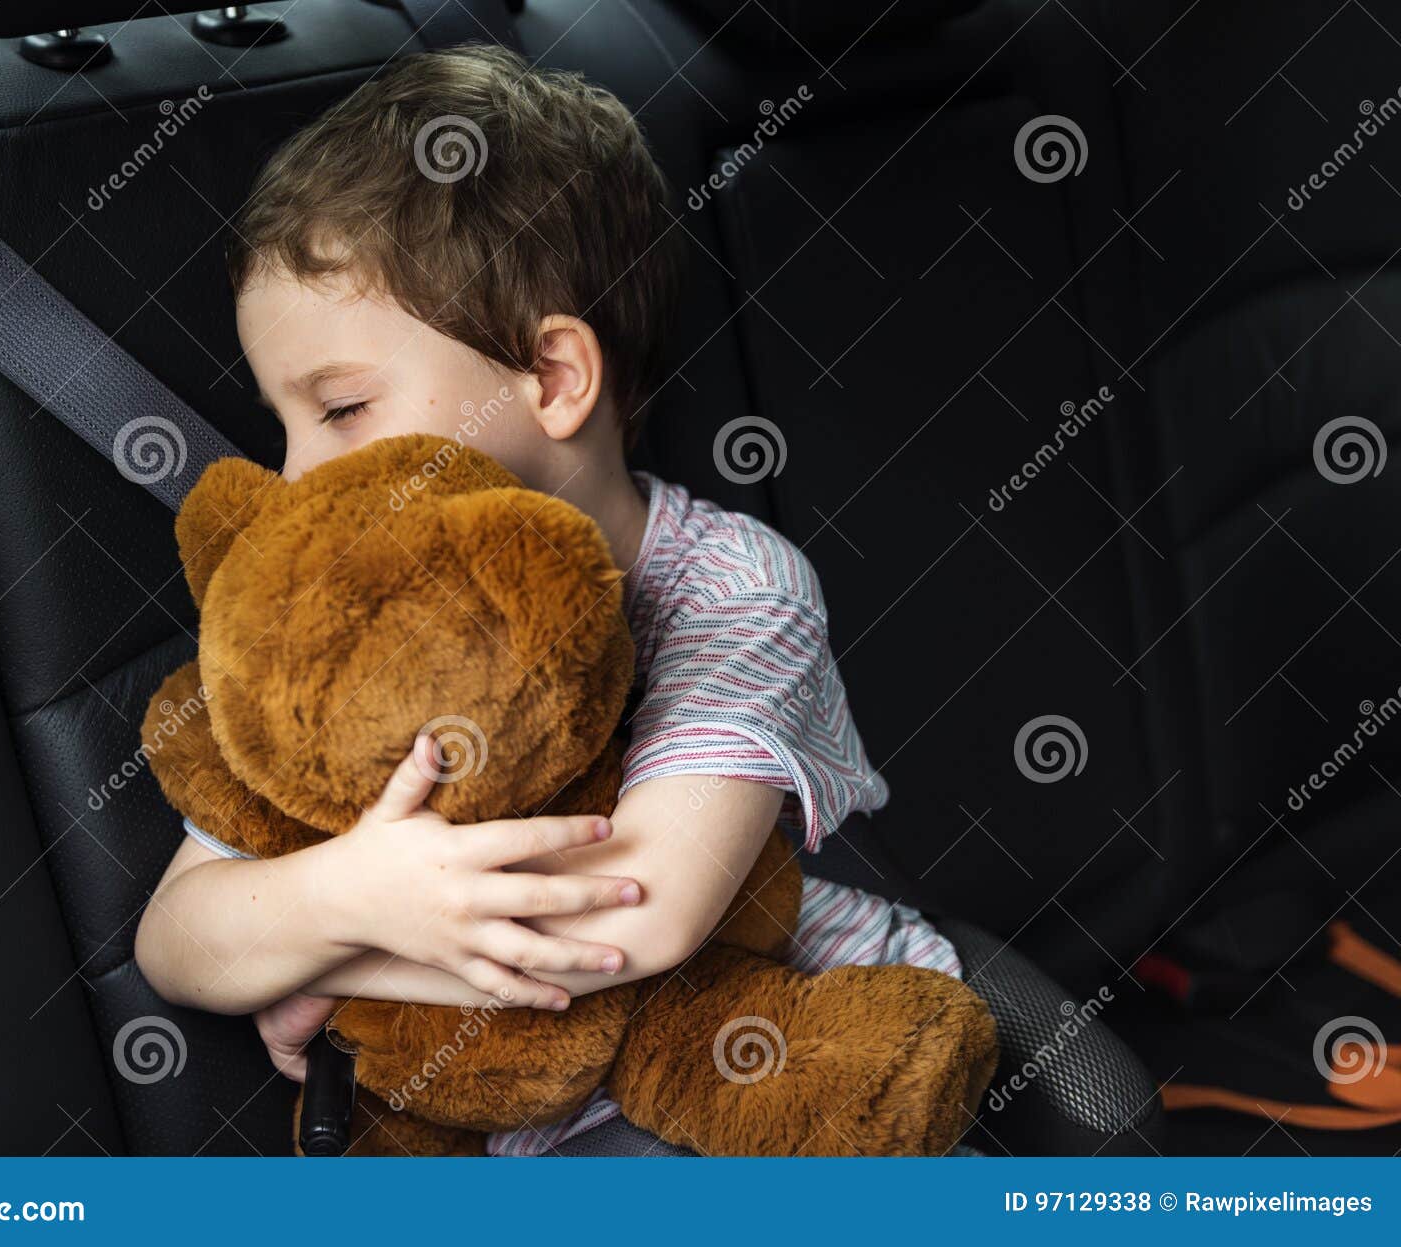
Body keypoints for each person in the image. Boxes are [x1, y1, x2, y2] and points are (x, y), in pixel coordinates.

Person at [133, 44, 959, 1156]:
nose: (293, 480)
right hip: (542, 1130)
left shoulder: (734, 587)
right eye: (284, 426)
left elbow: (643, 913)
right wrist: (350, 893)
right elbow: (177, 939)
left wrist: (336, 954)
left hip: (770, 1057)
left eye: (339, 409)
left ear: (554, 377)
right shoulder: (331, 624)